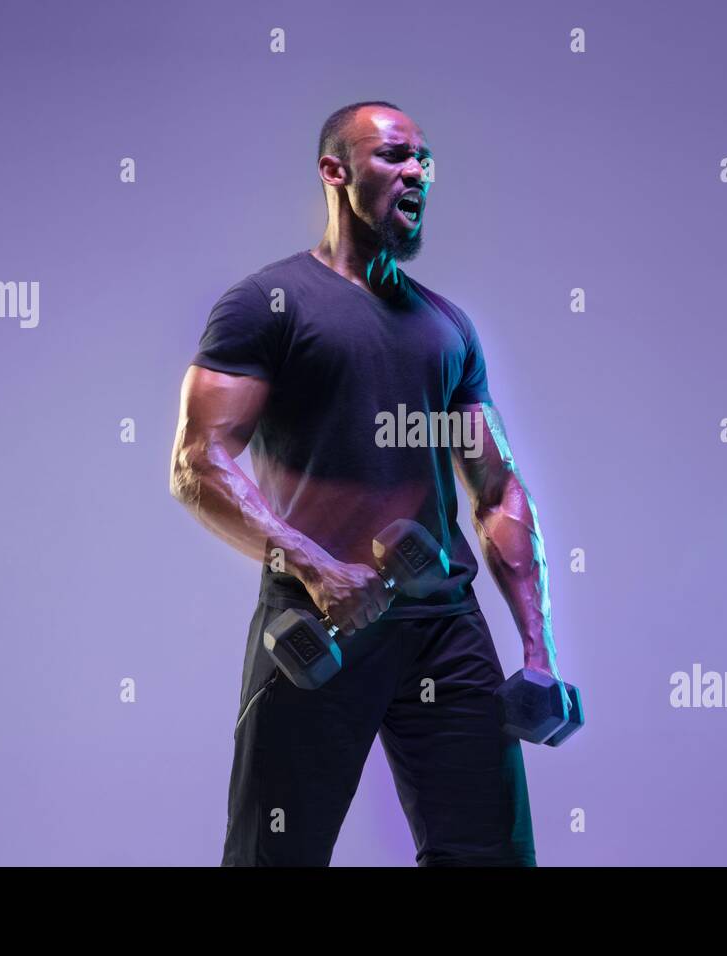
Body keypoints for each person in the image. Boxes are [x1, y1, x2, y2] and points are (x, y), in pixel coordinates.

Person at [169, 101, 567, 866]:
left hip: (444, 627)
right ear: (335, 172)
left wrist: (537, 651)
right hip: (324, 624)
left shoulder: (446, 328)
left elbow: (495, 488)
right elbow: (199, 463)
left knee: (490, 857)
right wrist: (316, 568)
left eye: (423, 159)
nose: (416, 171)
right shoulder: (269, 306)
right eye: (393, 157)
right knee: (273, 857)